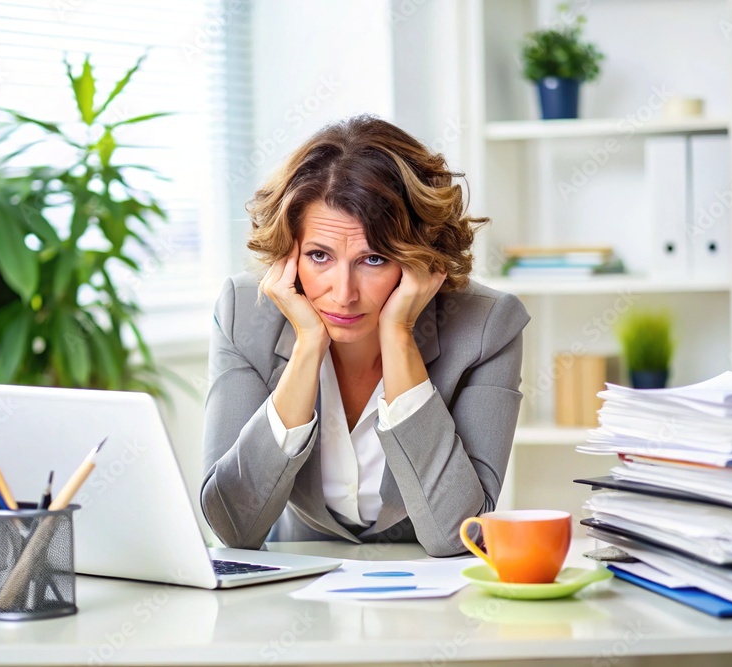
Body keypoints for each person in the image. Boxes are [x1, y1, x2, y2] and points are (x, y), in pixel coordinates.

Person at [201, 115, 529, 557]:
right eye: (319, 255)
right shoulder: (245, 313)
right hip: (295, 601)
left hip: (432, 606)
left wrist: (399, 335)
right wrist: (307, 350)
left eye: (373, 259)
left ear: (420, 256)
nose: (344, 294)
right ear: (288, 254)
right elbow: (235, 529)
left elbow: (455, 533)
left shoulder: (487, 326)